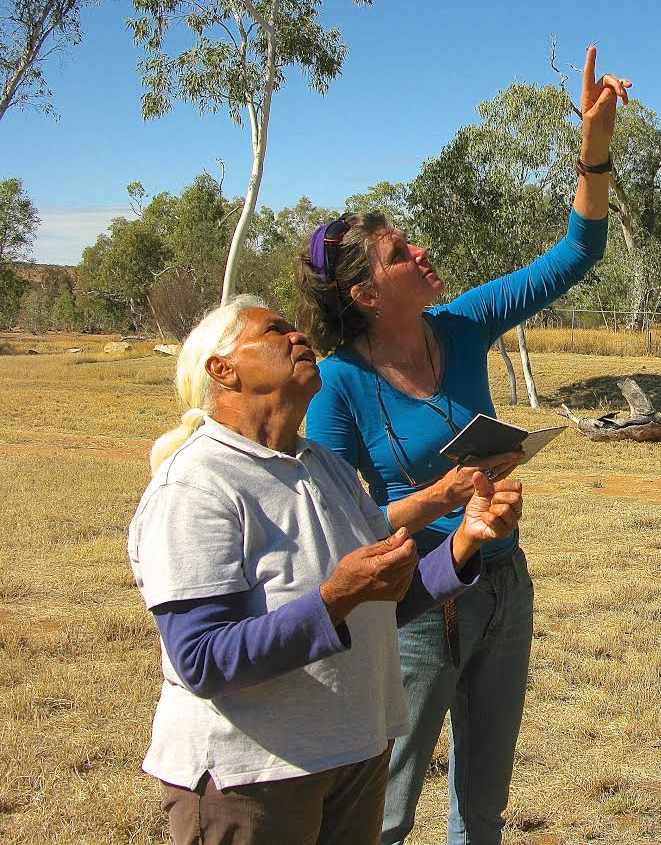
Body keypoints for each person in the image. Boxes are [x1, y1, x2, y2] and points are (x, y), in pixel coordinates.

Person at [294, 46, 631, 844]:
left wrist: (593, 151)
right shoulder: (337, 385)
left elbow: (577, 253)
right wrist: (443, 498)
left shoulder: (462, 323)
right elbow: (342, 528)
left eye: (411, 239)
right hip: (413, 607)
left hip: (503, 584)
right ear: (366, 294)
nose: (420, 251)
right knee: (384, 809)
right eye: (399, 253)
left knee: (482, 807)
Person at [128, 295, 524, 845]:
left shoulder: (325, 468)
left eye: (294, 328)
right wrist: (334, 599)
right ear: (222, 370)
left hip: (353, 757)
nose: (298, 337)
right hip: (253, 778)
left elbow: (384, 602)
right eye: (274, 331)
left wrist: (463, 541)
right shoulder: (197, 485)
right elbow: (201, 660)